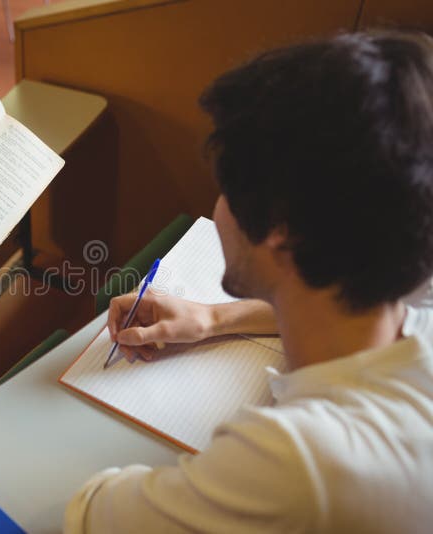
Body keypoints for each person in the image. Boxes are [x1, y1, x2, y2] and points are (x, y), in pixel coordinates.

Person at [66, 30, 433, 532]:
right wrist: (213, 317)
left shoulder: (295, 463)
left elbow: (93, 513)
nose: (217, 211)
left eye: (224, 191)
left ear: (280, 230)